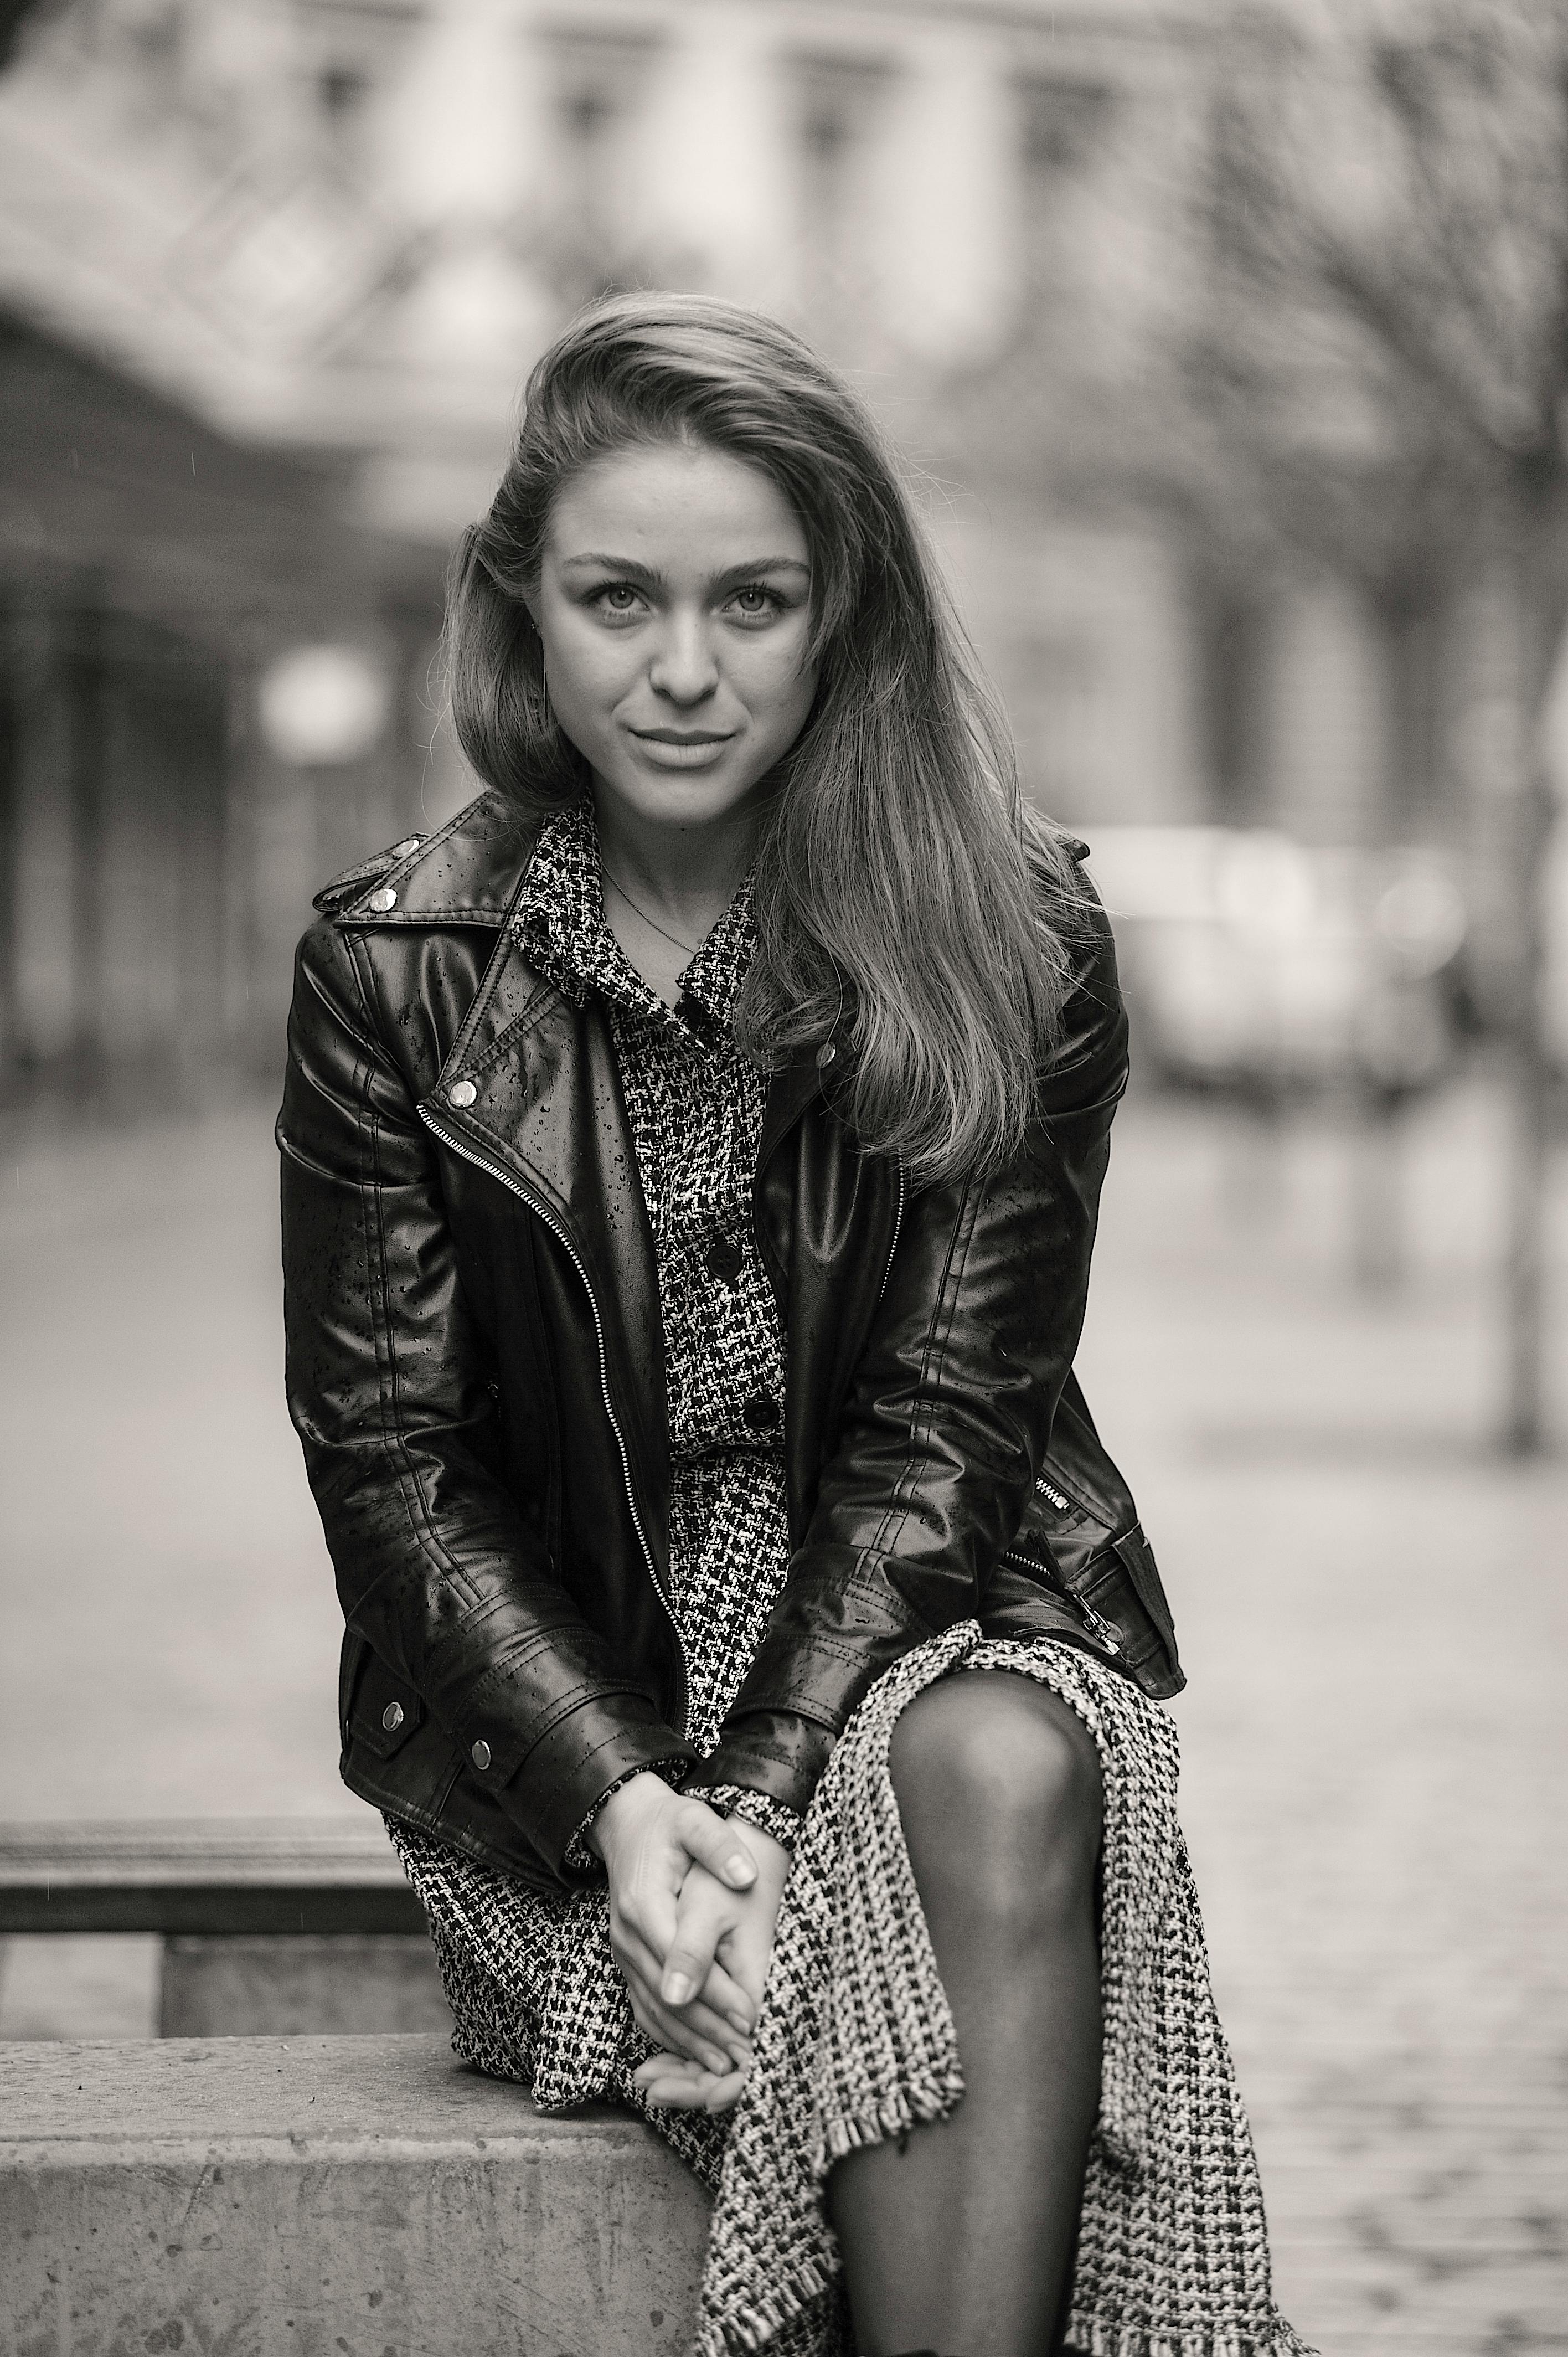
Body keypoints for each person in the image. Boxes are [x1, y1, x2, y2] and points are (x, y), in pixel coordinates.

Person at [278, 292, 1311, 2357]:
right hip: (565, 1735)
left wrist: (760, 1801)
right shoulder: (393, 974)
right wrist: (637, 1807)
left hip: (922, 1628)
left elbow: (953, 1425)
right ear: (523, 610)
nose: (682, 670)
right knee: (922, 1891)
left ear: (842, 612)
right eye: (618, 599)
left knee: (1011, 1770)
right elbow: (394, 1471)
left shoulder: (1011, 940)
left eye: (752, 600)